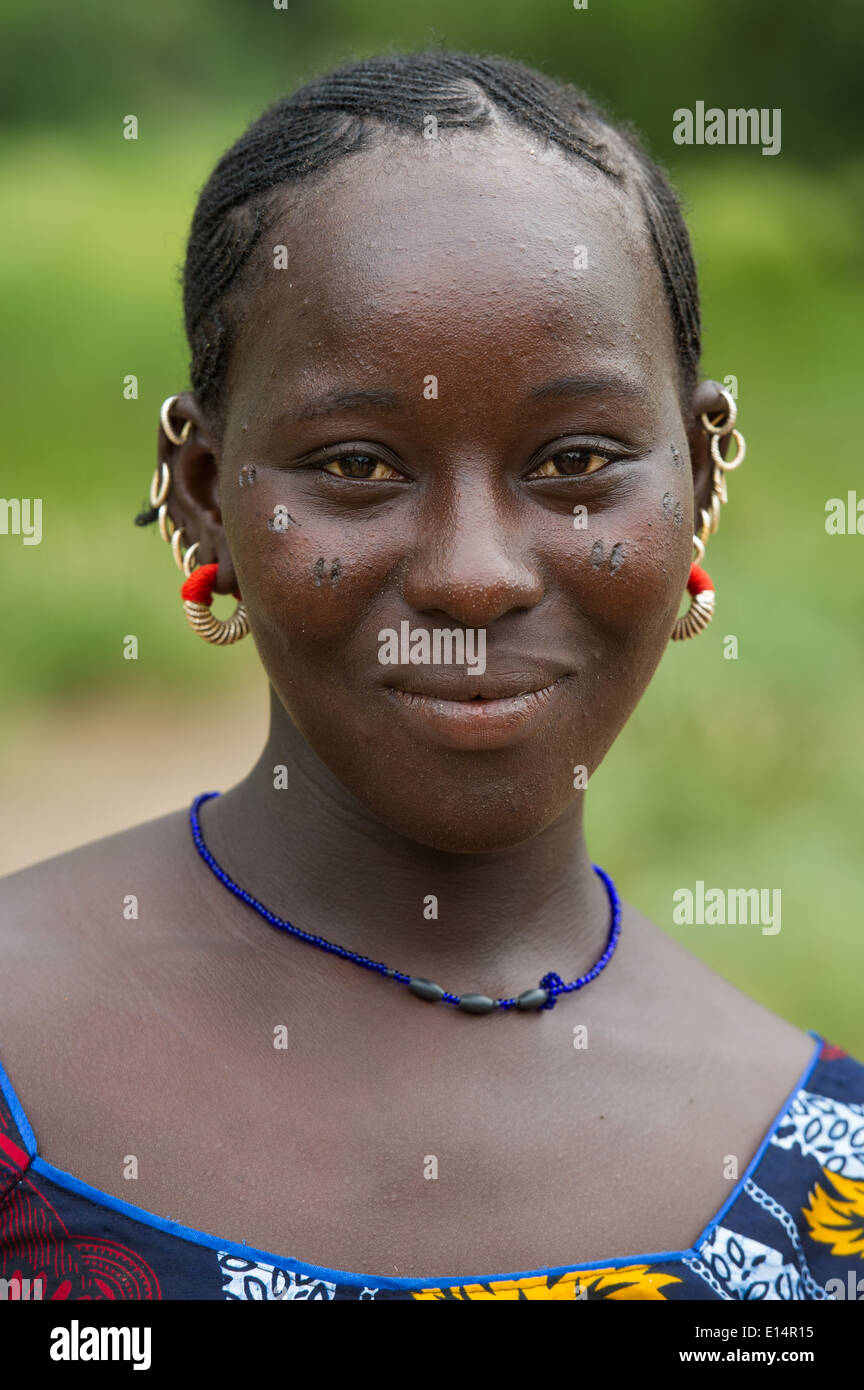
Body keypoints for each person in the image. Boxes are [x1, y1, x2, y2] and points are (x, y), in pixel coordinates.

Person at [1, 51, 861, 1303]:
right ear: (203, 497)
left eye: (575, 460)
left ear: (699, 474)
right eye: (357, 466)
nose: (474, 576)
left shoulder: (828, 1187)